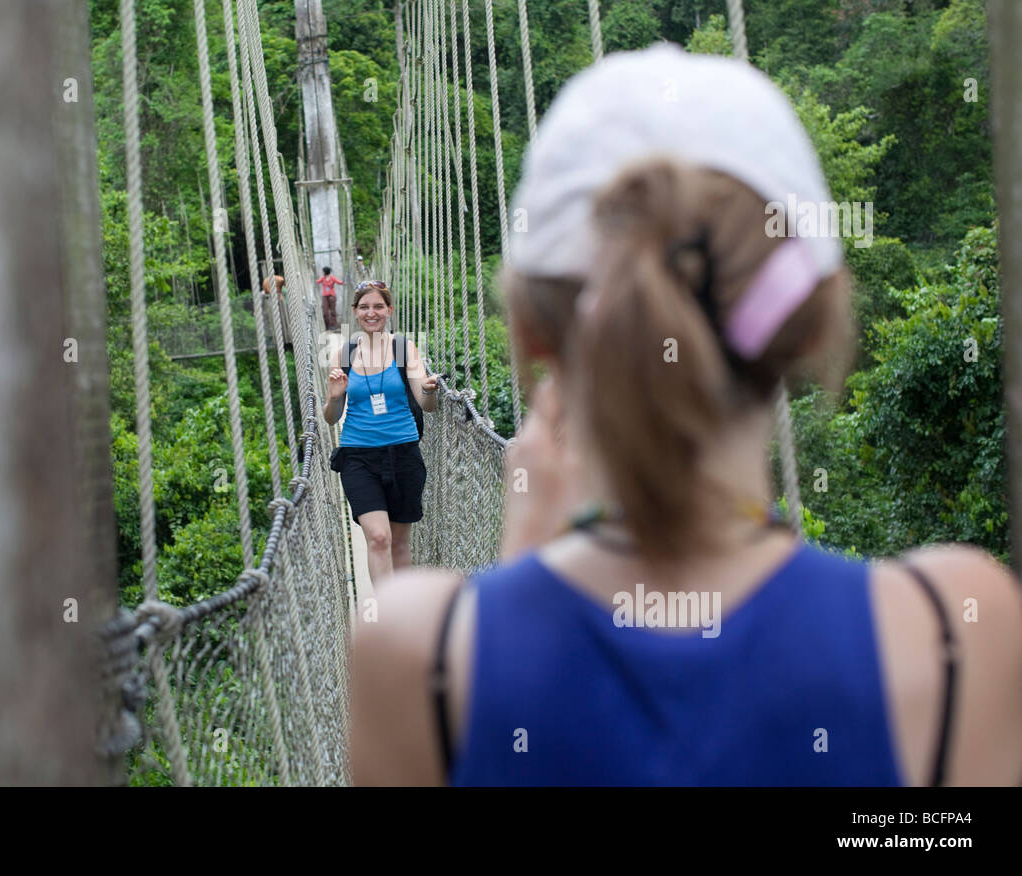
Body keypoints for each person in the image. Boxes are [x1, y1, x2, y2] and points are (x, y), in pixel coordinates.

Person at [349, 43, 1022, 786]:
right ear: (809, 323)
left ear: (534, 334)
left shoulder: (417, 653)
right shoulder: (956, 629)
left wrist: (520, 596)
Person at [324, 280, 442, 585]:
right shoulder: (344, 353)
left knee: (400, 545)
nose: (371, 313)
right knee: (378, 538)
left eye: (378, 306)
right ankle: (387, 618)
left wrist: (429, 390)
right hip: (358, 458)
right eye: (364, 307)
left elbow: (426, 404)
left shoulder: (404, 349)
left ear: (389, 310)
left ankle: (403, 617)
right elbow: (330, 418)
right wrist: (335, 397)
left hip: (403, 453)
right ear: (354, 312)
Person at [317, 266, 344, 332]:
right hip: (325, 297)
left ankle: (333, 325)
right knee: (325, 312)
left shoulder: (332, 278)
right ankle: (327, 326)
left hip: (332, 296)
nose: (322, 272)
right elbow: (317, 282)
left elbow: (339, 282)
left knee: (332, 311)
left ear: (325, 272)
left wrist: (345, 280)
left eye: (323, 271)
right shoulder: (323, 279)